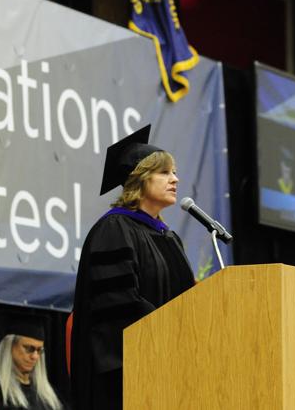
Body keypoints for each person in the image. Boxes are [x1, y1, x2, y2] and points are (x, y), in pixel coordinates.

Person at [70, 125, 195, 410]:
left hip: (175, 370)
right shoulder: (114, 228)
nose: (175, 179)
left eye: (174, 172)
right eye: (164, 172)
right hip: (129, 376)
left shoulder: (170, 238)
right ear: (138, 179)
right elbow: (116, 303)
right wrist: (169, 336)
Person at [0, 315, 64, 410]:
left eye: (39, 350)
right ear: (10, 347)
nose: (35, 356)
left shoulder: (47, 394)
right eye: (29, 348)